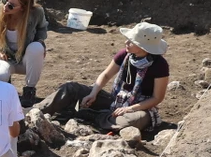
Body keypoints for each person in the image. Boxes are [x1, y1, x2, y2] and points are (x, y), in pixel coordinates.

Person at [38, 22, 170, 133]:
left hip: (139, 107)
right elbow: (106, 75)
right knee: (70, 88)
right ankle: (36, 111)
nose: (126, 42)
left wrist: (129, 109)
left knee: (131, 121)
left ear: (142, 46)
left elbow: (157, 98)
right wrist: (93, 93)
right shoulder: (125, 54)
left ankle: (90, 115)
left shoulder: (160, 65)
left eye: (131, 41)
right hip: (117, 100)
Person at [0, 0, 48, 107]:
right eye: (5, 1)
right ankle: (6, 87)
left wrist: (40, 41)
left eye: (11, 5)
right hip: (6, 57)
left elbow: (42, 28)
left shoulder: (36, 13)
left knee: (37, 48)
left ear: (23, 7)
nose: (5, 6)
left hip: (25, 59)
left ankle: (29, 90)